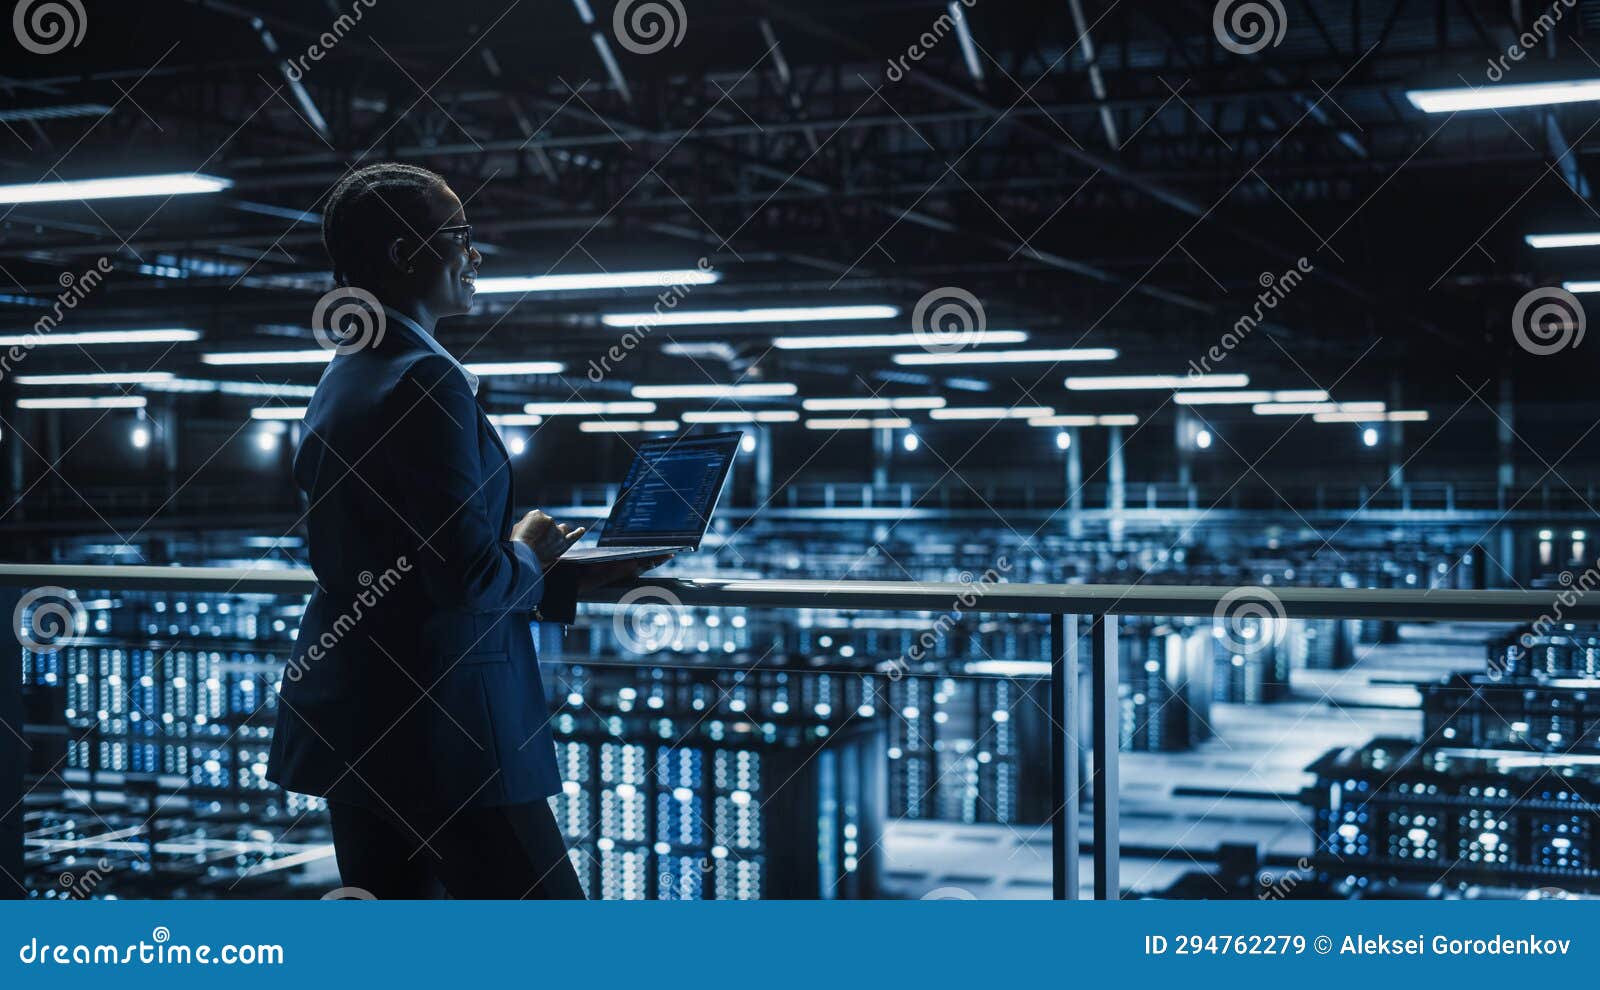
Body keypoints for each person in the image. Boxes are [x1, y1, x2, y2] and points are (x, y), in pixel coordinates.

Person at [267, 162, 662, 898]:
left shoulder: (347, 372)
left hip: (359, 721)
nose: (475, 253)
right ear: (402, 254)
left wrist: (557, 578)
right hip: (448, 729)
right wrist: (528, 550)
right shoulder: (426, 380)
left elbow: (400, 560)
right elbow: (465, 575)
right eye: (459, 234)